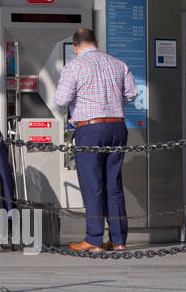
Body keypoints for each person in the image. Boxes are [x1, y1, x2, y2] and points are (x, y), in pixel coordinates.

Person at [53, 28, 136, 253]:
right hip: (117, 126)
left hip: (90, 129)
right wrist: (111, 105)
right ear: (96, 42)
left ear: (75, 47)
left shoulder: (74, 66)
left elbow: (61, 99)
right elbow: (131, 93)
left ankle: (94, 239)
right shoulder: (118, 64)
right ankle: (119, 240)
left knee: (93, 185)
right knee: (113, 184)